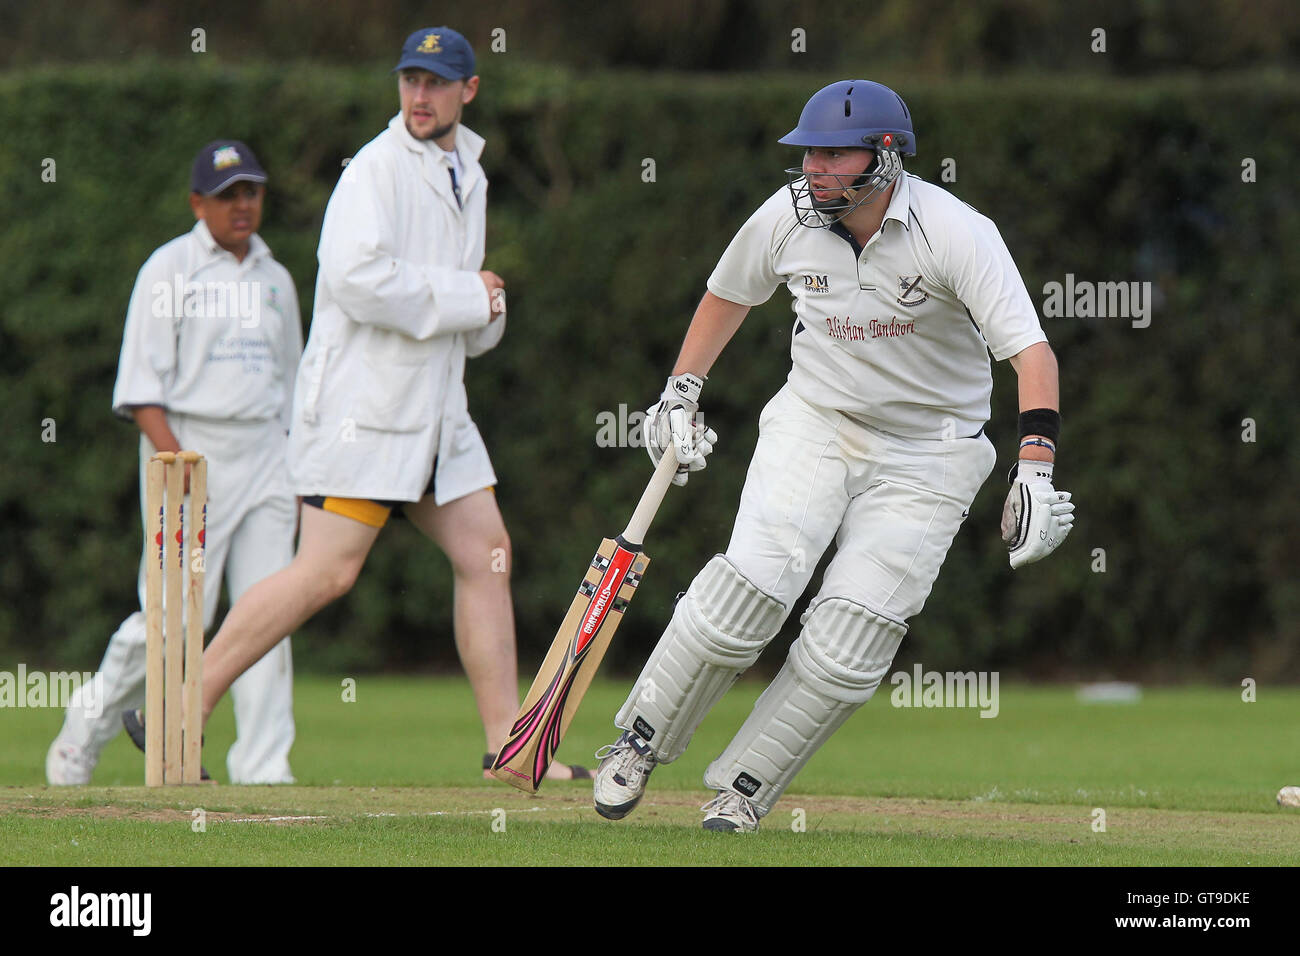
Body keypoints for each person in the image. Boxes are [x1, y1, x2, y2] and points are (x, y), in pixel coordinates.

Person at [592, 79, 1075, 830]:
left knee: (852, 635)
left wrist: (1036, 467)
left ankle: (745, 790)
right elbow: (728, 294)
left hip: (931, 452)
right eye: (809, 151)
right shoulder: (787, 218)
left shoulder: (954, 230)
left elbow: (1031, 353)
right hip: (816, 423)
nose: (814, 166)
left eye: (833, 153)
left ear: (884, 158)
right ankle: (639, 743)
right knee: (747, 592)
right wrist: (679, 393)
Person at [136, 27, 586, 781]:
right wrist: (464, 296)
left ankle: (509, 749)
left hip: (439, 417)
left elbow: (457, 320)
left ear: (468, 91)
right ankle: (178, 709)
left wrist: (486, 309)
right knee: (326, 574)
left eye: (437, 83)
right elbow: (354, 280)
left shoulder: (464, 174)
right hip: (363, 413)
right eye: (411, 80)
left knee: (487, 555)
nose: (420, 95)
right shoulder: (375, 170)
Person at [47, 140, 301, 785]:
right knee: (169, 618)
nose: (242, 206)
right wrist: (181, 467)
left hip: (270, 456)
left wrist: (301, 470)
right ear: (198, 204)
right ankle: (82, 734)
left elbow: (297, 386)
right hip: (187, 451)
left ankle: (263, 767)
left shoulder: (277, 278)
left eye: (250, 192)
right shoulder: (169, 269)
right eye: (227, 196)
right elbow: (141, 390)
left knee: (269, 609)